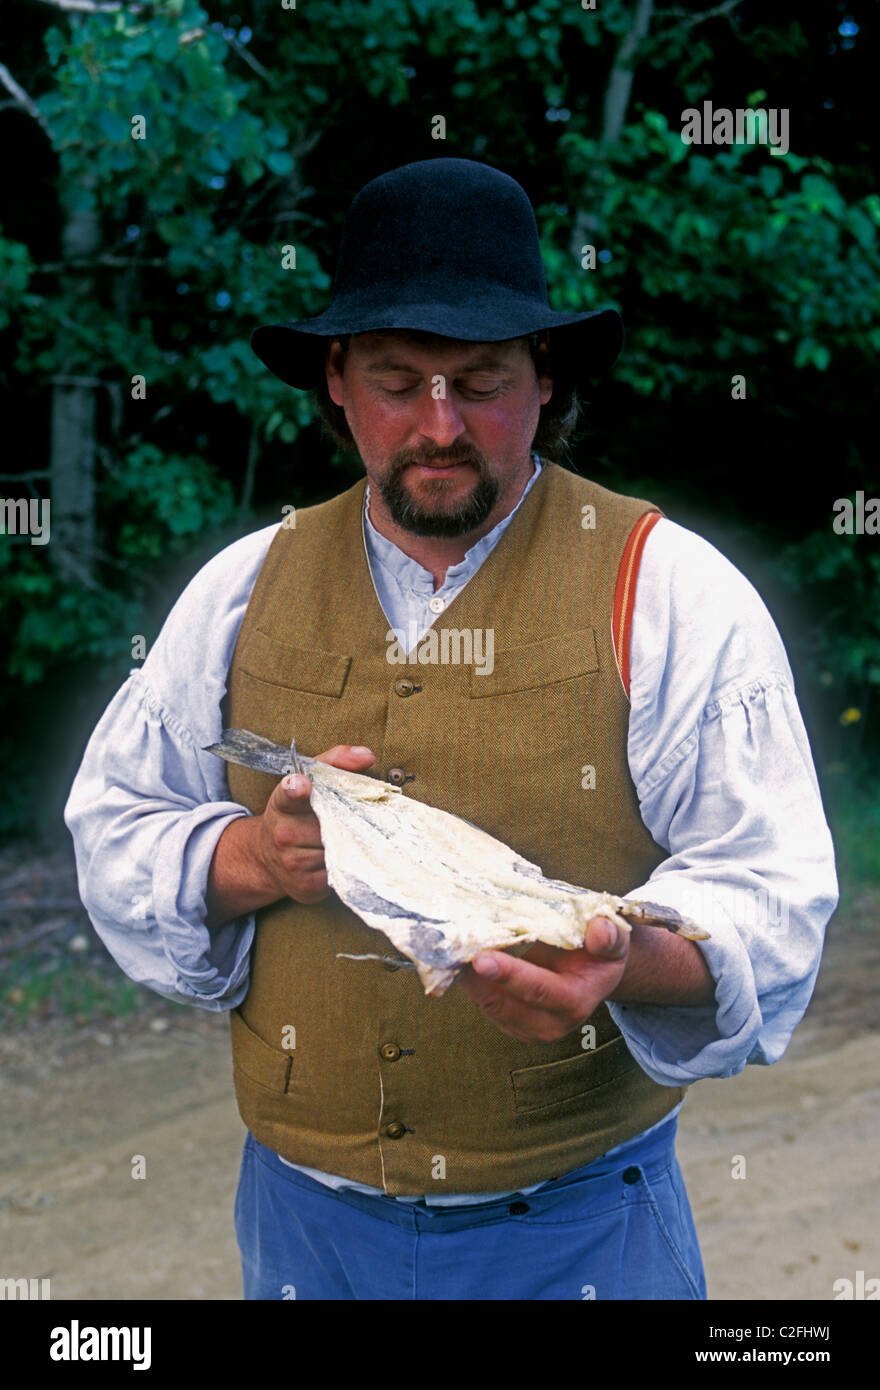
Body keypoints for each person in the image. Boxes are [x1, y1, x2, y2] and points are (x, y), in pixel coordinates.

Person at [64, 158, 838, 1301]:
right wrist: (251, 857)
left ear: (544, 377)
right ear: (335, 379)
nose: (438, 425)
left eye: (478, 382)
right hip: (301, 1232)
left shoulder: (669, 588)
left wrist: (625, 959)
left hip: (578, 1233)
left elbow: (770, 892)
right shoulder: (241, 587)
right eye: (396, 380)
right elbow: (114, 825)